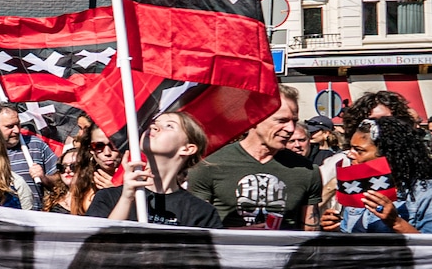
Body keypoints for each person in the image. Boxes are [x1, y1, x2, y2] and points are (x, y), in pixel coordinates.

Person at [186, 91, 319, 230]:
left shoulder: (307, 170)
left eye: (295, 121)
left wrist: (329, 228)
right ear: (254, 116)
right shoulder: (210, 165)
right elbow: (196, 231)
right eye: (282, 120)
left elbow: (309, 233)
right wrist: (240, 234)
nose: (290, 129)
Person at [91, 113, 223, 226]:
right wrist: (126, 199)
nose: (153, 127)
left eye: (169, 126)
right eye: (154, 123)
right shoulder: (108, 197)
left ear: (187, 149)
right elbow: (92, 248)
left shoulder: (201, 212)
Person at [339, 116, 432, 234]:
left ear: (386, 154)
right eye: (350, 148)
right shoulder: (358, 187)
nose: (350, 155)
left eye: (359, 150)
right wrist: (334, 229)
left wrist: (396, 223)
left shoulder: (430, 193)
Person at [0, 104, 55, 212]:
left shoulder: (35, 145)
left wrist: (44, 178)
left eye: (18, 124)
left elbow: (59, 182)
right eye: (9, 126)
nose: (16, 130)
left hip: (34, 218)